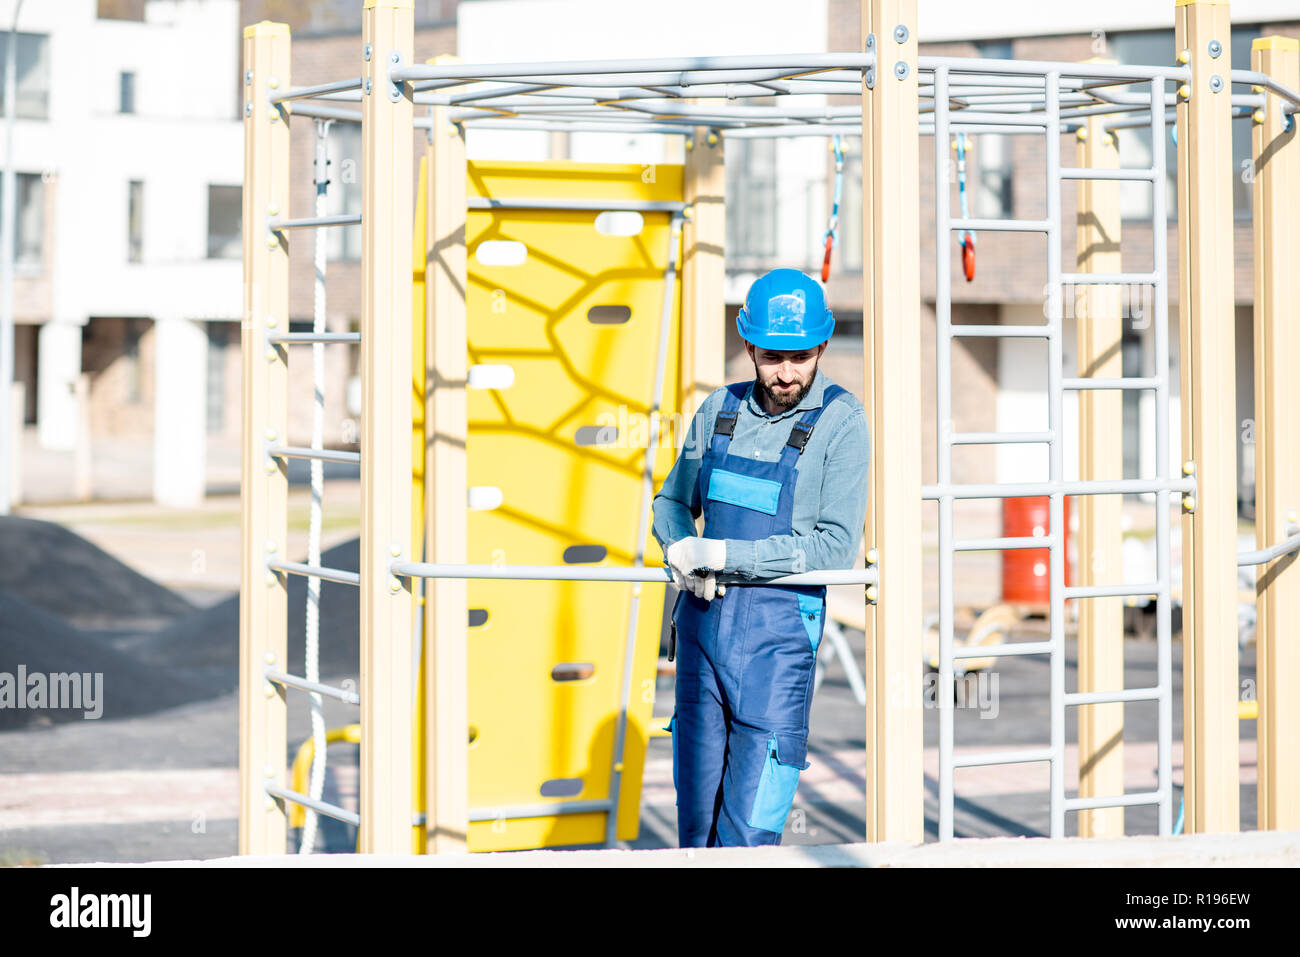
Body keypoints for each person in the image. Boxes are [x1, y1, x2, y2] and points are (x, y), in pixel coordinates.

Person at [651, 267, 870, 847]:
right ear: (749, 345)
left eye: (801, 357)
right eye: (773, 357)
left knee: (747, 836)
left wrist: (720, 552)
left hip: (777, 647)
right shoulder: (716, 410)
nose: (787, 373)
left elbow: (833, 546)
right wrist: (680, 550)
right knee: (695, 830)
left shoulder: (843, 423)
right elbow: (671, 500)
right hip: (702, 635)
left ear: (821, 345)